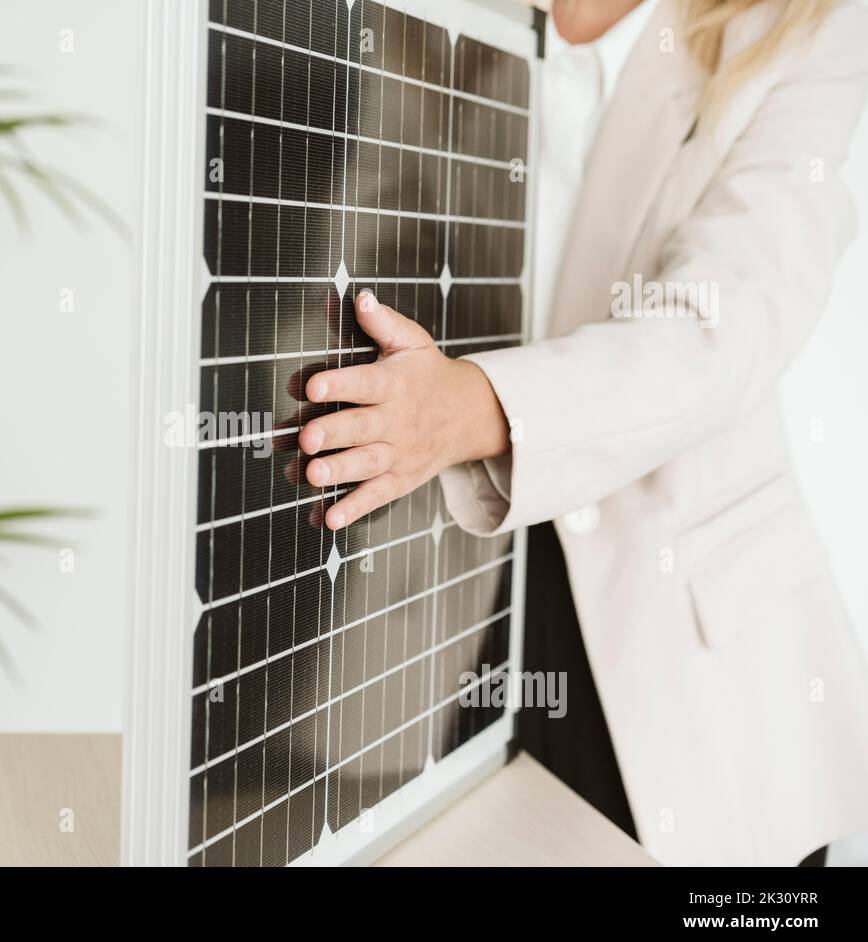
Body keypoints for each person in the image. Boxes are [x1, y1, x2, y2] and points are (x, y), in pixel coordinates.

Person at [298, 0, 868, 866]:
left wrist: (468, 407)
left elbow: (726, 328)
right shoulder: (430, 21)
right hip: (451, 613)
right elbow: (360, 265)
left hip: (692, 652)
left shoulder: (801, 24)